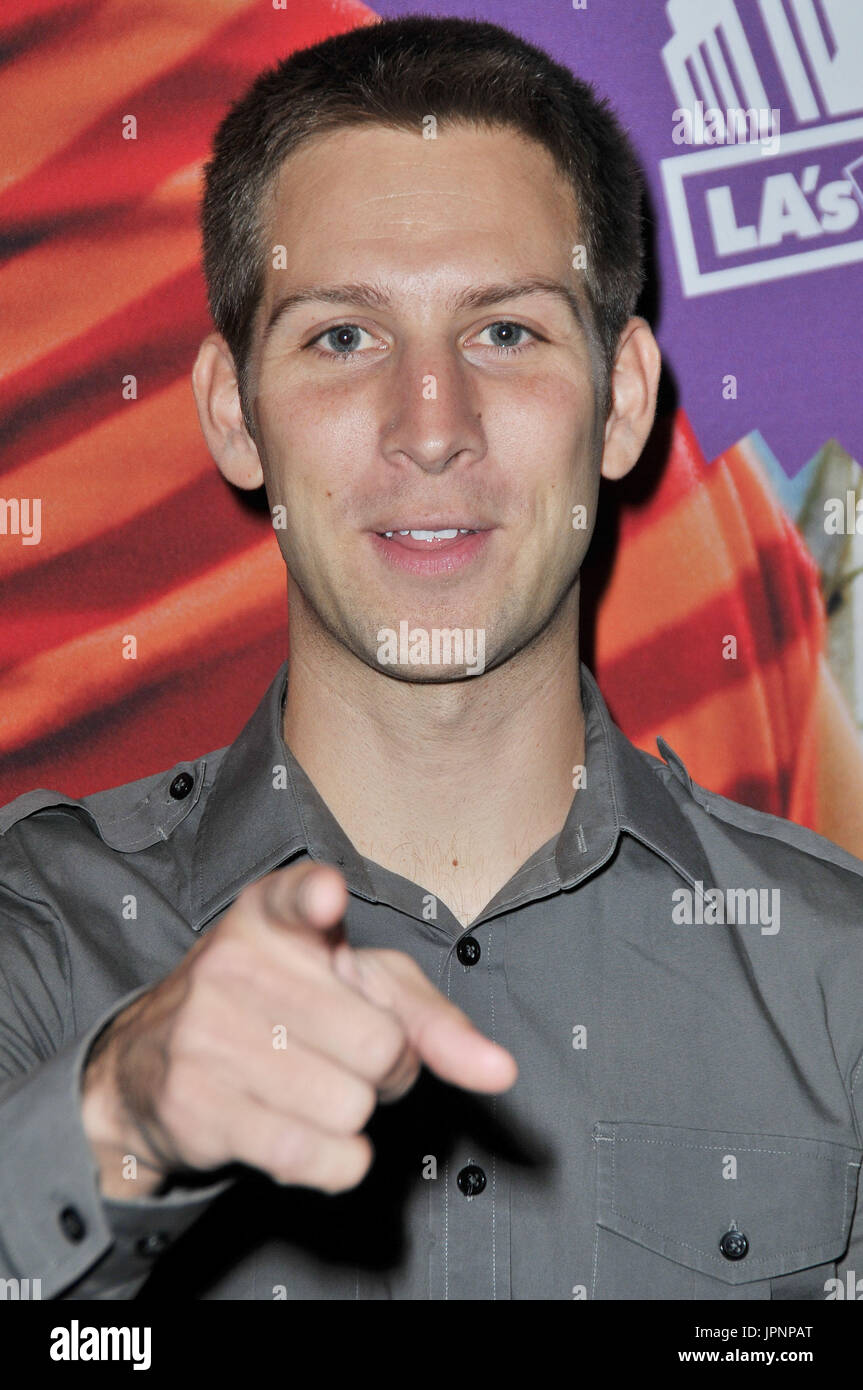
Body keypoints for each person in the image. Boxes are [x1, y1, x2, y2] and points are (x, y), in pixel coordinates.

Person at [1, 15, 862, 1302]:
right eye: (343, 336)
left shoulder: (835, 972)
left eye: (503, 332)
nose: (431, 426)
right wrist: (113, 1122)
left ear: (622, 400)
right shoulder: (37, 934)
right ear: (234, 414)